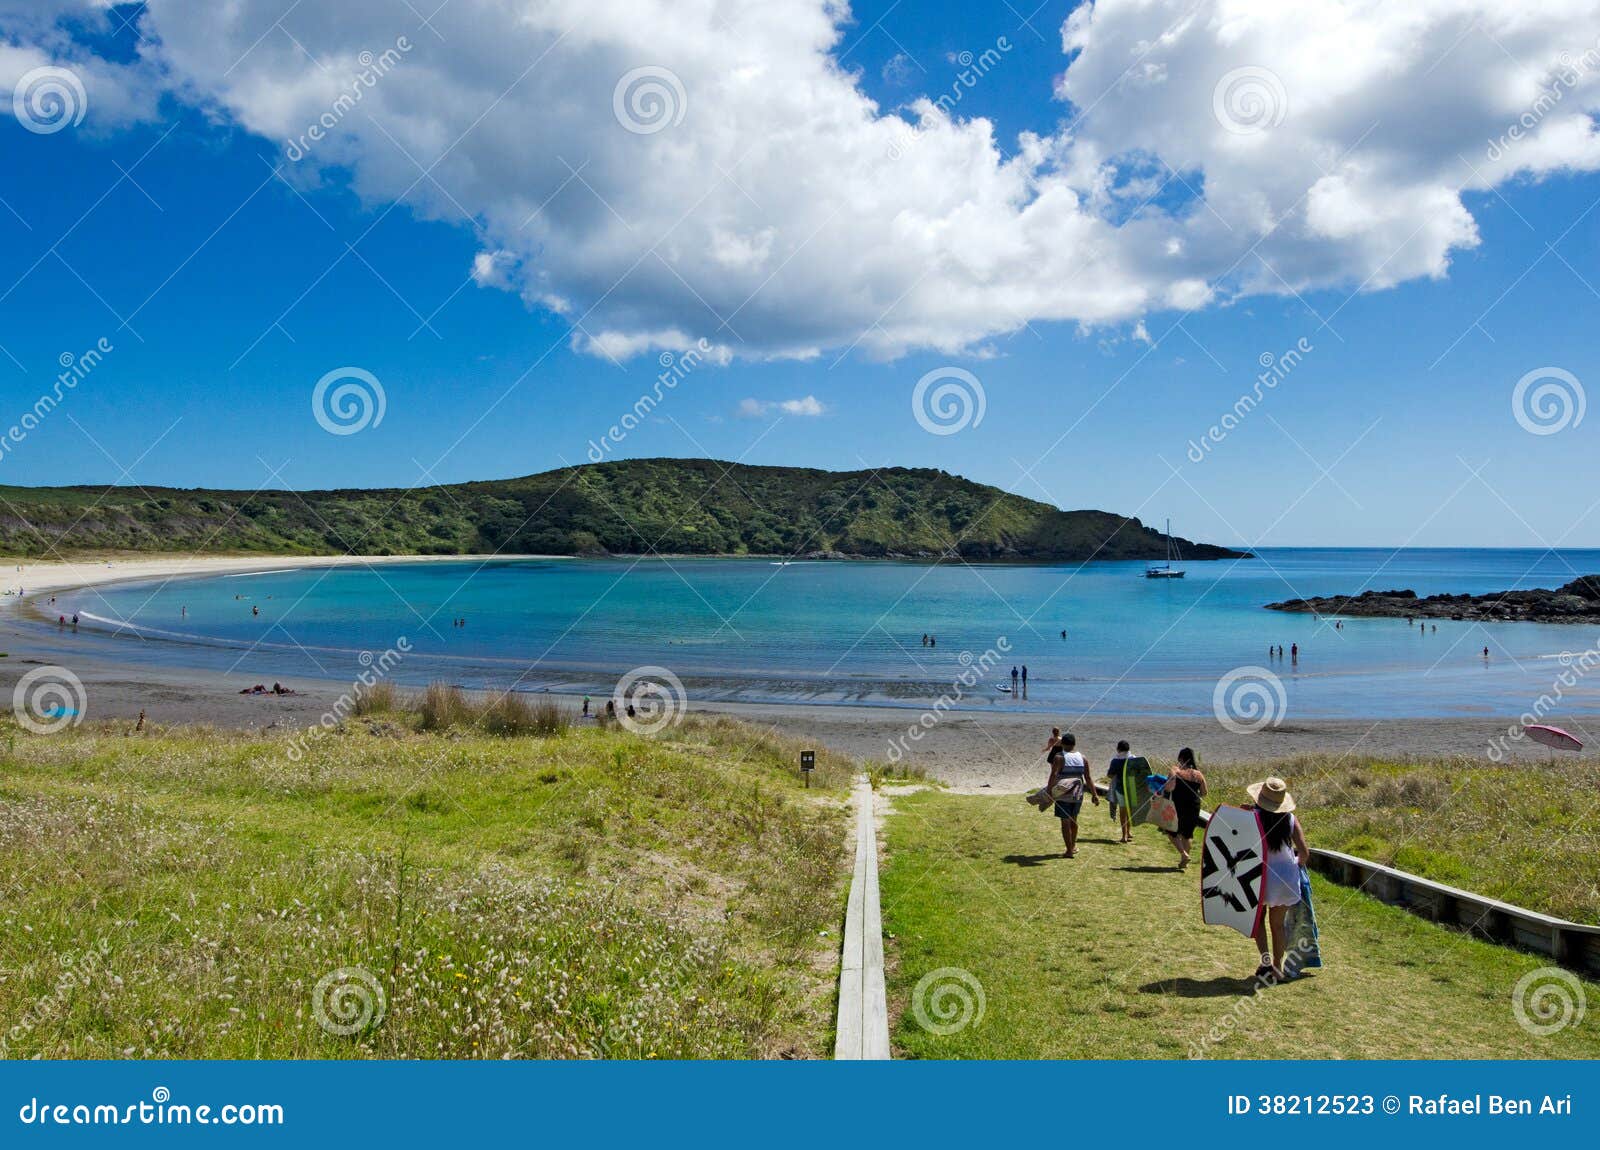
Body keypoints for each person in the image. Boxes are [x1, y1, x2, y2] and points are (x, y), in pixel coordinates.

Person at [1245, 777, 1310, 981]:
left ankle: (1265, 963)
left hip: (1260, 874)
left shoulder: (1251, 817)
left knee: (1258, 921)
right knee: (1278, 925)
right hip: (1286, 877)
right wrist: (1295, 864)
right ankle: (1277, 966)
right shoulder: (1290, 820)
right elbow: (1305, 853)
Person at [1046, 731, 1096, 857]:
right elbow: (1088, 778)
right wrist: (1094, 795)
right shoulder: (1083, 758)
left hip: (1063, 793)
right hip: (1078, 794)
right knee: (1074, 821)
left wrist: (1048, 790)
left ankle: (1069, 850)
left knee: (1065, 822)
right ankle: (1073, 846)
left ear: (1062, 744)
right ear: (1074, 744)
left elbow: (1053, 775)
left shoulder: (1059, 757)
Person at [1162, 747, 1206, 869]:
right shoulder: (1199, 774)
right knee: (1187, 834)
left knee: (1171, 831)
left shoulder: (1175, 771)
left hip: (1179, 806)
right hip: (1194, 806)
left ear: (1181, 758)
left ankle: (1184, 854)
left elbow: (1169, 788)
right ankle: (1184, 861)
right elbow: (1204, 793)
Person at [1106, 740, 1134, 843]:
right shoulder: (1134, 758)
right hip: (1132, 787)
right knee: (1130, 811)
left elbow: (1110, 775)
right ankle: (1129, 832)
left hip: (1121, 788)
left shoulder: (1115, 761)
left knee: (1123, 811)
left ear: (1118, 749)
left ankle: (1124, 836)